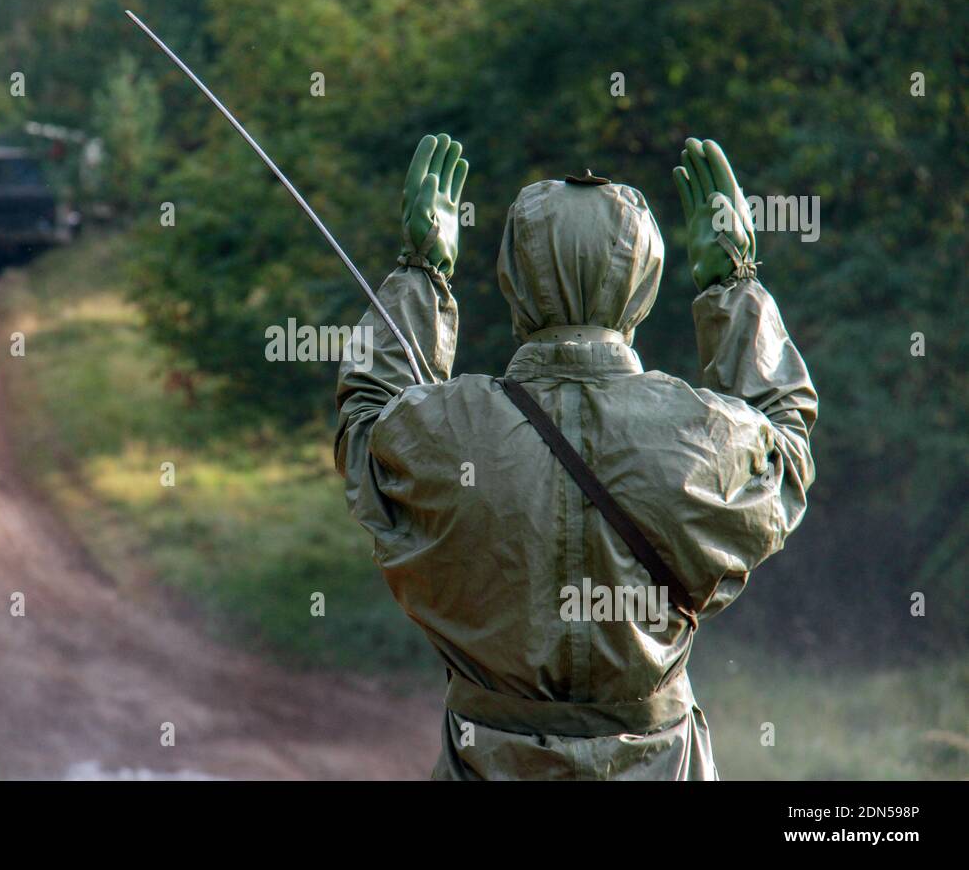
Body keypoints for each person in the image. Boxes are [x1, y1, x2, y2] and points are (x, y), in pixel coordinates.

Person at [335, 134, 817, 779]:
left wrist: (421, 272)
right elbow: (787, 445)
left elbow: (365, 419)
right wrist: (733, 286)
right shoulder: (706, 434)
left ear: (515, 279)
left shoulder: (445, 429)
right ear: (643, 283)